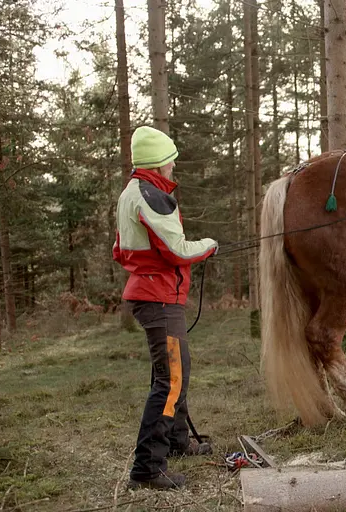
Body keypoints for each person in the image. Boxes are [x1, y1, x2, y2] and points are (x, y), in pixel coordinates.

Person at [113, 125, 218, 490]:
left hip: (150, 295)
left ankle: (176, 441)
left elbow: (120, 250)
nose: (174, 169)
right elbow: (176, 251)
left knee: (176, 371)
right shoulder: (154, 196)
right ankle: (147, 467)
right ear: (159, 165)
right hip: (159, 299)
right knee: (171, 378)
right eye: (171, 163)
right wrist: (208, 245)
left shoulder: (129, 193)